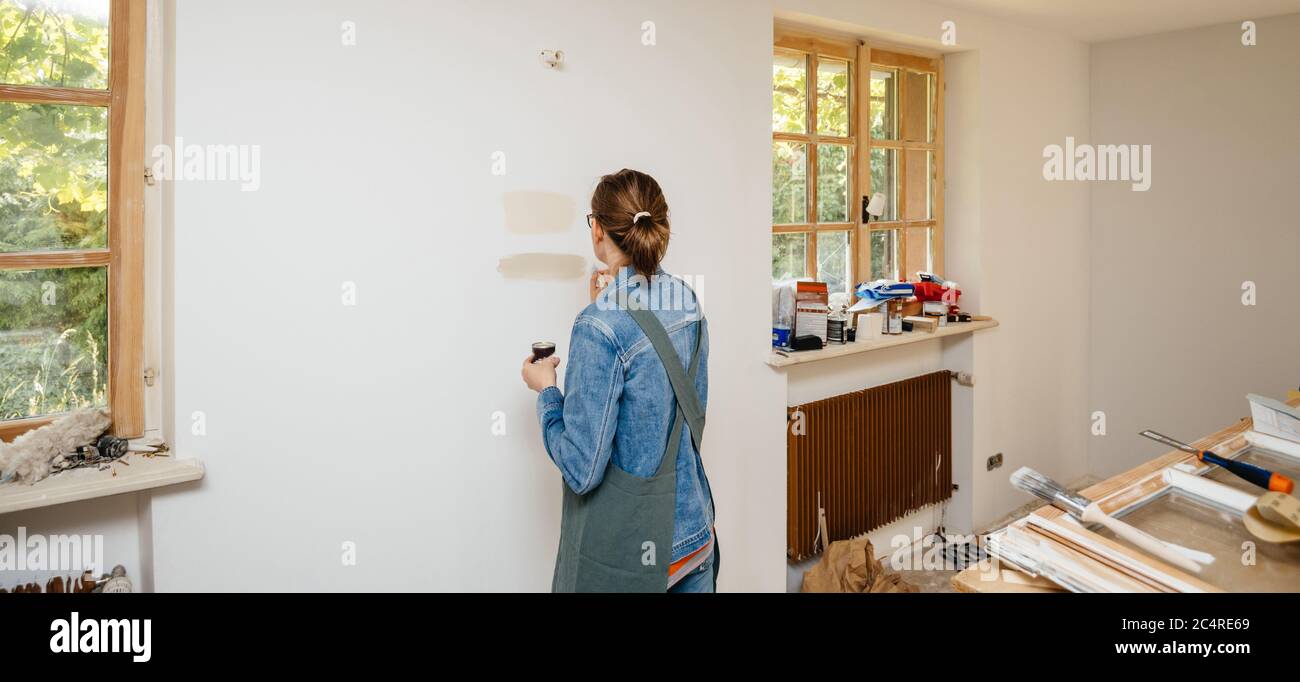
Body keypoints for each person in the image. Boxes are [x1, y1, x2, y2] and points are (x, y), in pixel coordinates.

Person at [520, 169, 716, 593]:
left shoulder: (599, 326)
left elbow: (582, 468)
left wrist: (547, 390)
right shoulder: (686, 299)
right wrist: (609, 307)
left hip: (636, 565)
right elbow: (689, 412)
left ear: (597, 229)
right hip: (696, 539)